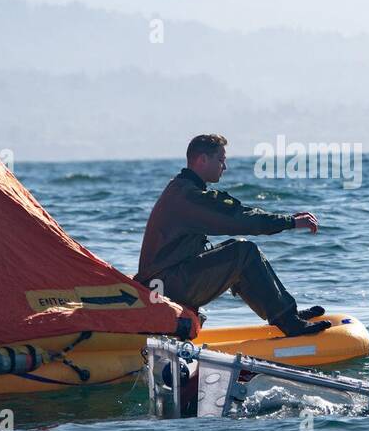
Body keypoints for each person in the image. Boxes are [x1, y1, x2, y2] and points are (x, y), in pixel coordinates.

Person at [135, 134, 329, 337]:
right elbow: (239, 218)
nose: (224, 167)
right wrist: (290, 222)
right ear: (202, 160)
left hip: (165, 282)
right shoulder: (188, 196)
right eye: (220, 160)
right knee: (243, 252)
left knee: (235, 251)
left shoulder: (182, 188)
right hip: (163, 287)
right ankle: (288, 321)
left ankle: (285, 313)